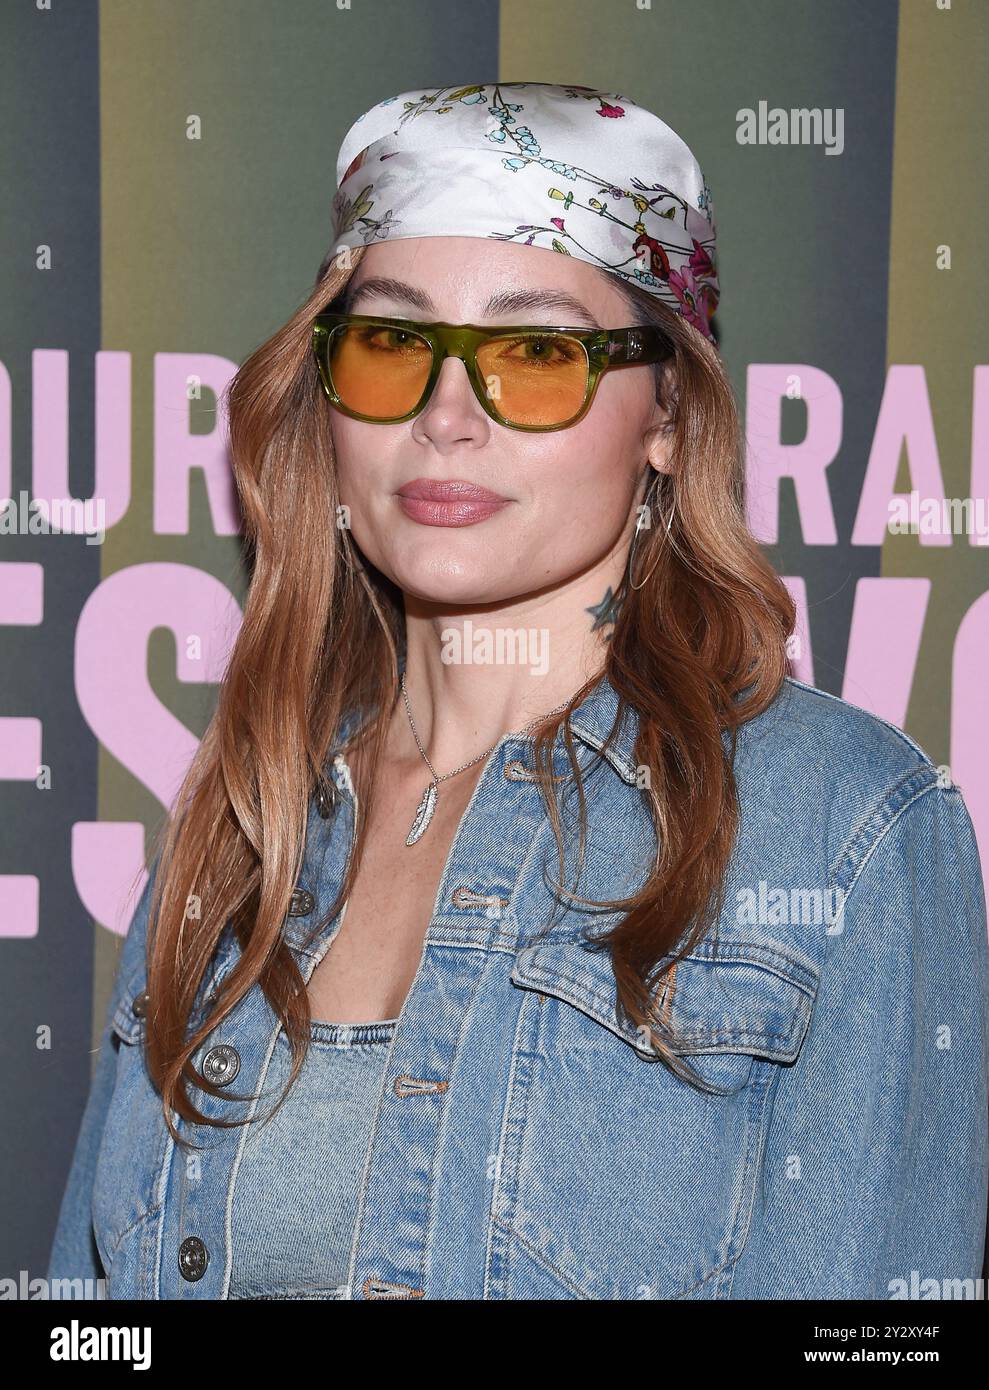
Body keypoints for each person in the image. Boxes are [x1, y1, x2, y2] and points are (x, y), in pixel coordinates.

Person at [48, 81, 988, 1301]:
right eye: (392, 341)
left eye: (534, 353)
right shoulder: (249, 824)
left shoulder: (847, 829)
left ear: (664, 413)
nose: (446, 417)